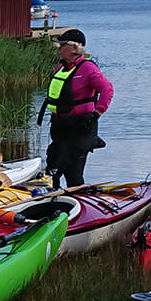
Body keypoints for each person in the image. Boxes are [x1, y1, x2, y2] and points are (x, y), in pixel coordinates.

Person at [39, 28, 112, 188]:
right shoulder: (61, 68)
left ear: (74, 48)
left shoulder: (88, 68)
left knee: (71, 173)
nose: (58, 48)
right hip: (60, 127)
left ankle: (78, 198)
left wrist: (96, 114)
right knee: (53, 167)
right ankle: (54, 197)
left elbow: (107, 89)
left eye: (62, 45)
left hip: (81, 128)